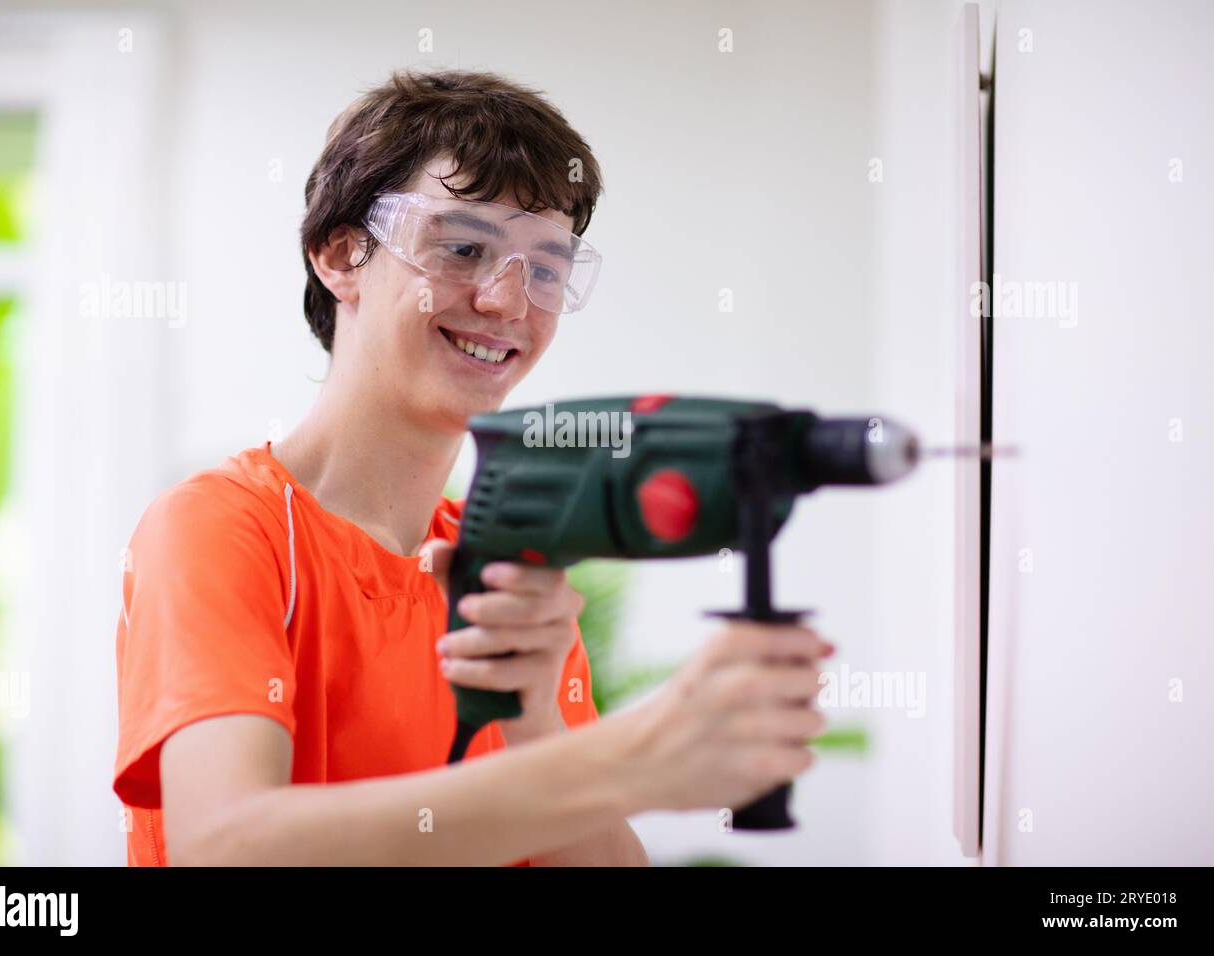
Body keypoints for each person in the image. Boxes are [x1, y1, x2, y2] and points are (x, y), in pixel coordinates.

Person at [112, 69, 830, 866]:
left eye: (547, 269)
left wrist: (536, 722)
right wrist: (628, 760)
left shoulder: (500, 568)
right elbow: (227, 849)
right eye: (461, 248)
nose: (506, 302)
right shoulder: (222, 529)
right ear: (341, 254)